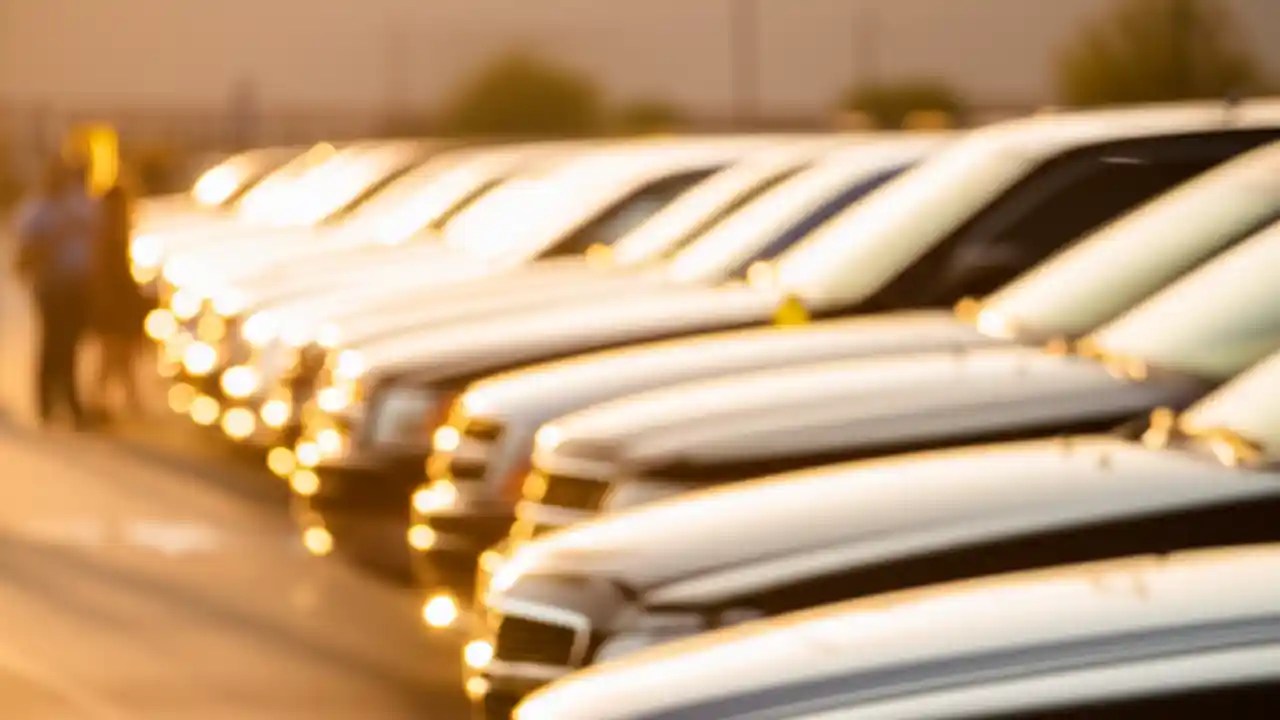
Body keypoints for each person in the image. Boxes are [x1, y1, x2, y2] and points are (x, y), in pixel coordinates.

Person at [14, 158, 98, 428]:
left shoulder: (78, 204)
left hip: (76, 284)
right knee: (53, 344)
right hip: (51, 285)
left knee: (70, 345)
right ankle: (48, 404)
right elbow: (28, 249)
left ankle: (68, 403)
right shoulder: (39, 210)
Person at [90, 184, 145, 417]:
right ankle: (100, 402)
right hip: (115, 303)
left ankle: (124, 401)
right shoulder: (109, 236)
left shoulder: (113, 233)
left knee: (119, 356)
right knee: (114, 355)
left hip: (119, 301)